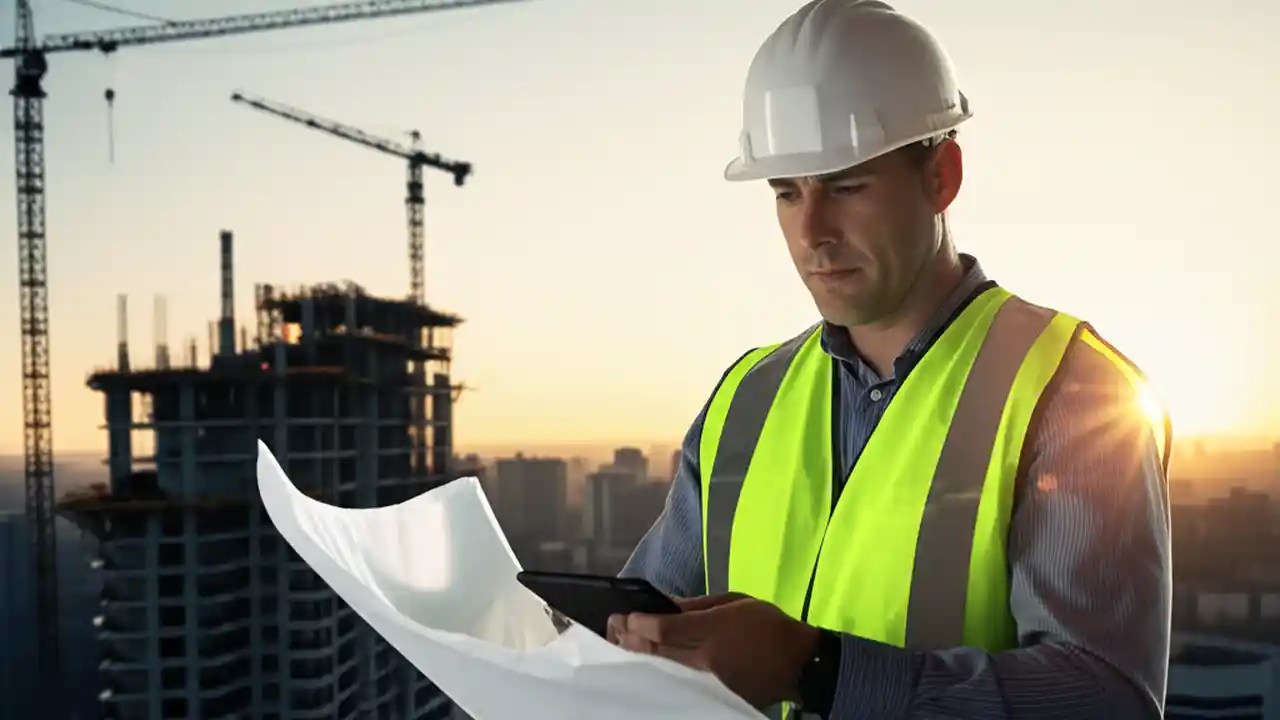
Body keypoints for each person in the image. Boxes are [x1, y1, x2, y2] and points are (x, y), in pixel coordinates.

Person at [607, 1, 1173, 718]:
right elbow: (638, 639)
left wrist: (816, 671)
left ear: (942, 177)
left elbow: (1104, 699)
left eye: (845, 187)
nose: (812, 232)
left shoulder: (1073, 391)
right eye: (786, 192)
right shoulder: (746, 398)